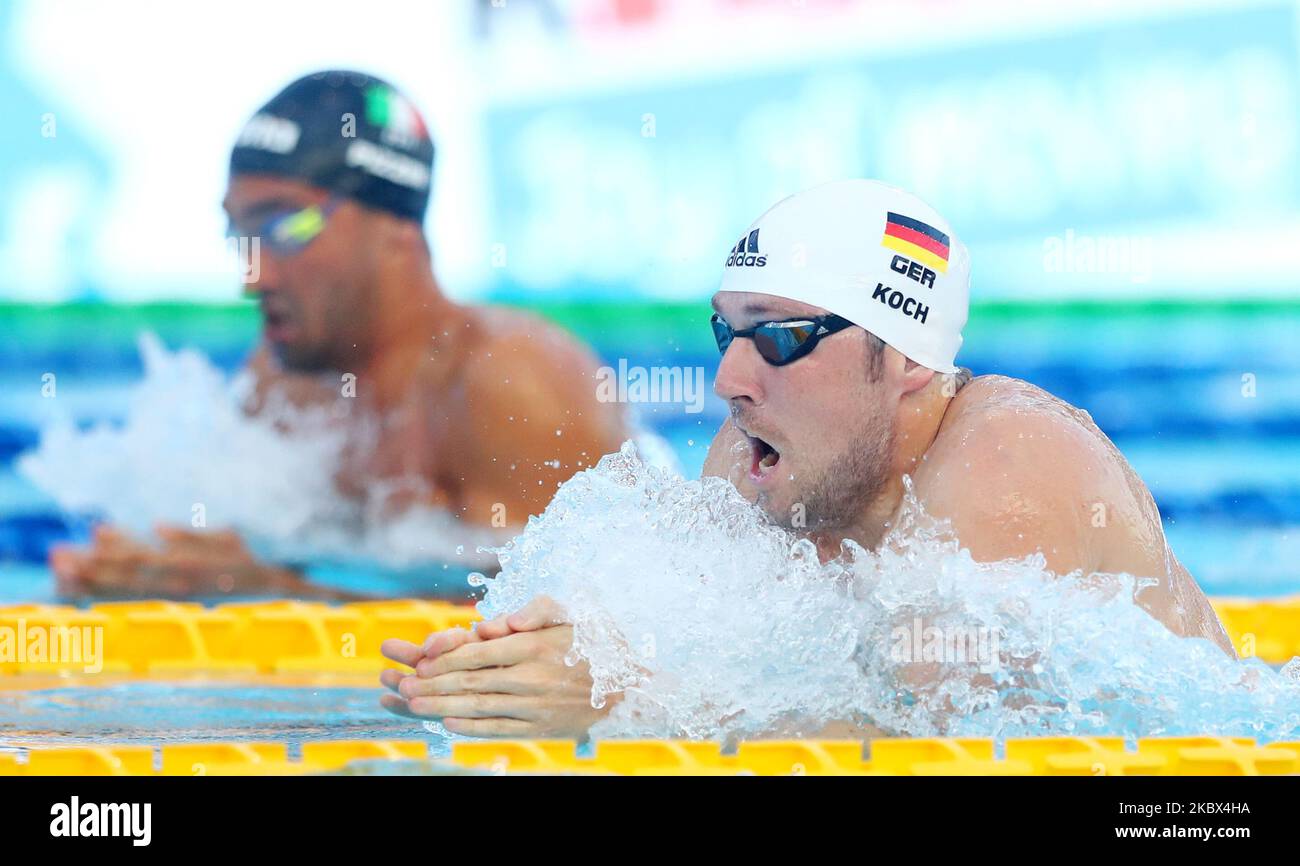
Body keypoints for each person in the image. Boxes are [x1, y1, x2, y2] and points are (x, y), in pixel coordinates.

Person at [379, 179, 1234, 738]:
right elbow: (700, 631)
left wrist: (623, 700)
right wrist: (541, 654)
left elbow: (928, 735)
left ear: (907, 362)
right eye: (727, 331)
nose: (728, 379)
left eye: (781, 337)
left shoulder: (1014, 460)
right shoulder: (765, 458)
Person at [49, 70, 627, 598]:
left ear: (395, 226)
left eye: (282, 225)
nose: (252, 275)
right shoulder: (287, 374)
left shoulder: (512, 385)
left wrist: (274, 592)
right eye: (239, 234)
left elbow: (578, 637)